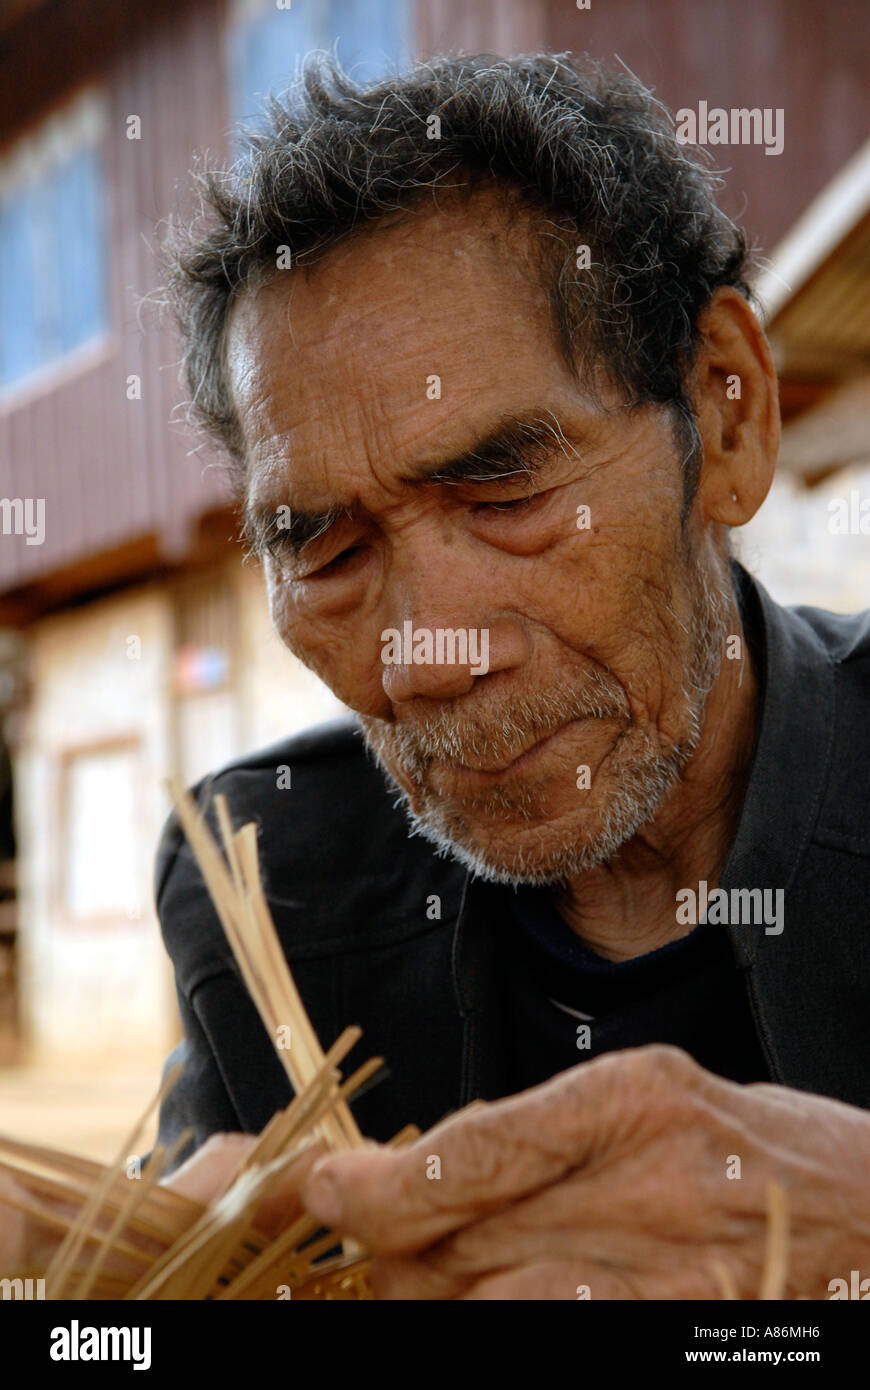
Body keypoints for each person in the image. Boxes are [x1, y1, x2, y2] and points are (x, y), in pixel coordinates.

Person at [150, 52, 870, 1299]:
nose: (426, 652)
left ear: (729, 415)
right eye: (323, 547)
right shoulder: (265, 875)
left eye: (505, 490)